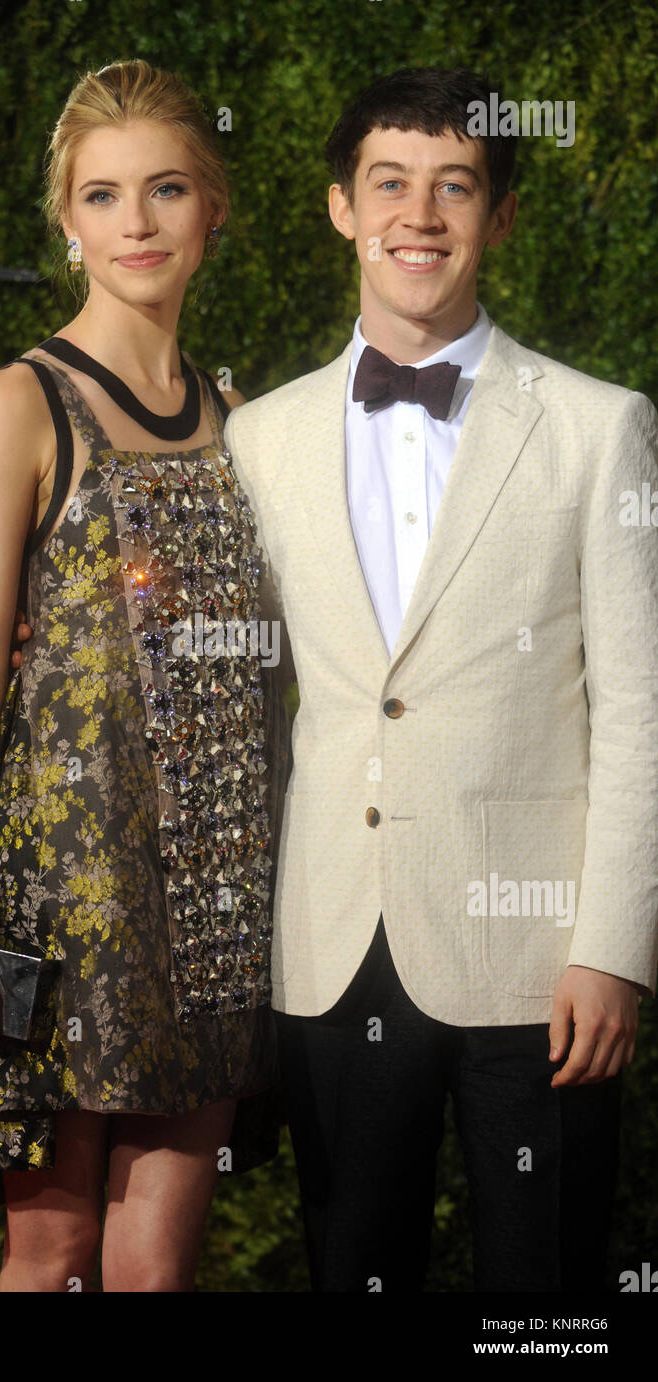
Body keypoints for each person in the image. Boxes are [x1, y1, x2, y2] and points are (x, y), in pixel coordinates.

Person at [0, 58, 291, 1293]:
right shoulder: (19, 403)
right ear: (68, 225)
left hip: (215, 906)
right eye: (104, 195)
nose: (136, 222)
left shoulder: (250, 424)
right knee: (54, 1255)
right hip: (59, 900)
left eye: (167, 188)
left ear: (213, 210)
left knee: (156, 1268)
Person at [216, 65, 658, 1292]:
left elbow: (643, 708)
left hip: (540, 957)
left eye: (455, 185)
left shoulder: (599, 423)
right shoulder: (259, 436)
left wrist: (614, 946)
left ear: (500, 216)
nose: (420, 214)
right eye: (391, 184)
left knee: (548, 1292)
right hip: (330, 937)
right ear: (341, 208)